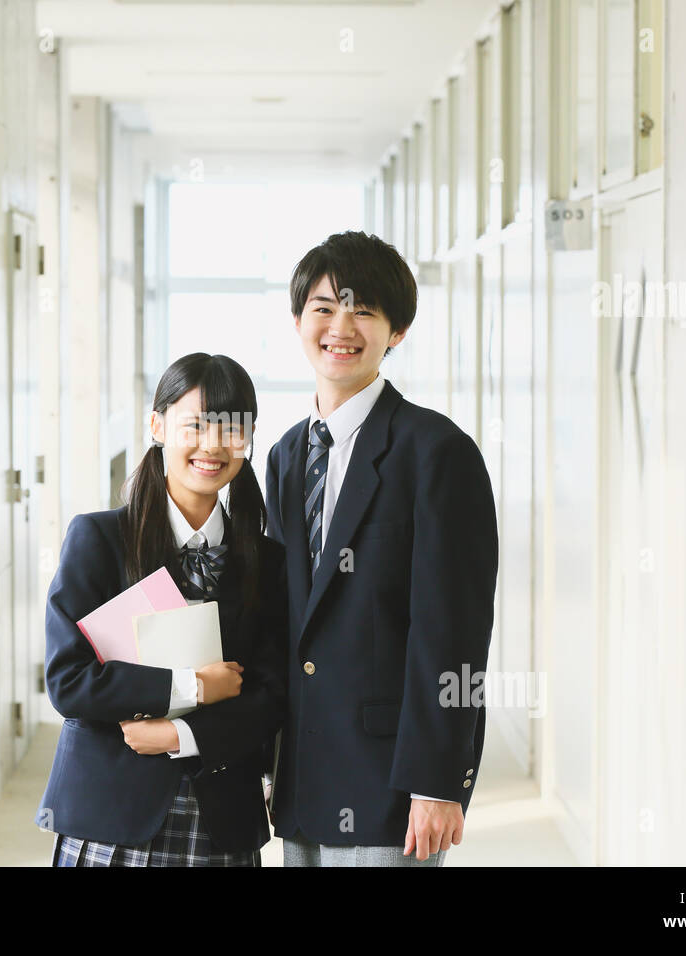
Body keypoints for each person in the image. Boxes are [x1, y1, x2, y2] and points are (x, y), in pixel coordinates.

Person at [264, 230, 499, 867]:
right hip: (303, 780)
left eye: (363, 309)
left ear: (395, 332)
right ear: (297, 321)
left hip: (393, 783)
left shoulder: (437, 452)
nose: (341, 326)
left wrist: (439, 782)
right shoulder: (286, 457)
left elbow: (454, 632)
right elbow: (285, 622)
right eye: (323, 307)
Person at [35, 352, 288, 866]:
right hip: (110, 812)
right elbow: (69, 681)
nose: (213, 445)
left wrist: (182, 733)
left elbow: (271, 693)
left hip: (221, 817)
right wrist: (192, 686)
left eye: (231, 429)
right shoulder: (100, 540)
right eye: (195, 425)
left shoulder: (266, 561)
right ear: (156, 425)